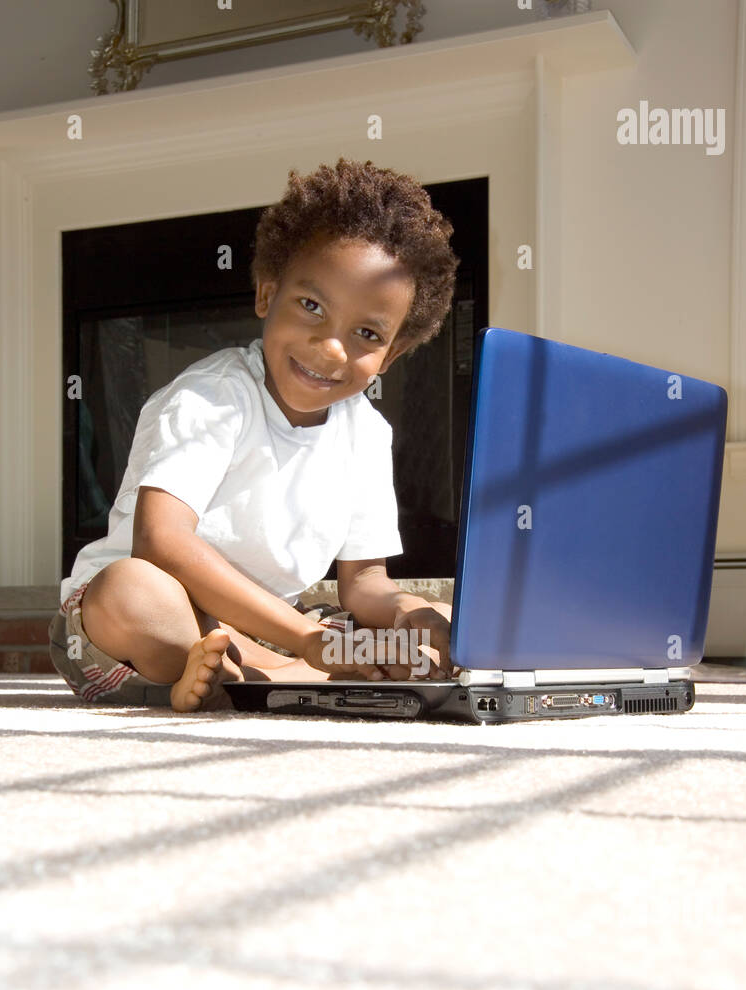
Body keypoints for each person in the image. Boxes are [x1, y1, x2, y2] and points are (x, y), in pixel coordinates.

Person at [48, 156, 460, 712]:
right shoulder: (212, 396)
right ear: (267, 294)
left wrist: (407, 612)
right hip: (123, 619)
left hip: (268, 624)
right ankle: (265, 670)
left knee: (440, 623)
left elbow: (364, 581)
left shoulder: (367, 432)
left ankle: (244, 671)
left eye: (366, 333)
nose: (330, 348)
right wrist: (310, 641)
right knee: (134, 591)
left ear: (394, 354)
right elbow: (160, 542)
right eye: (311, 306)